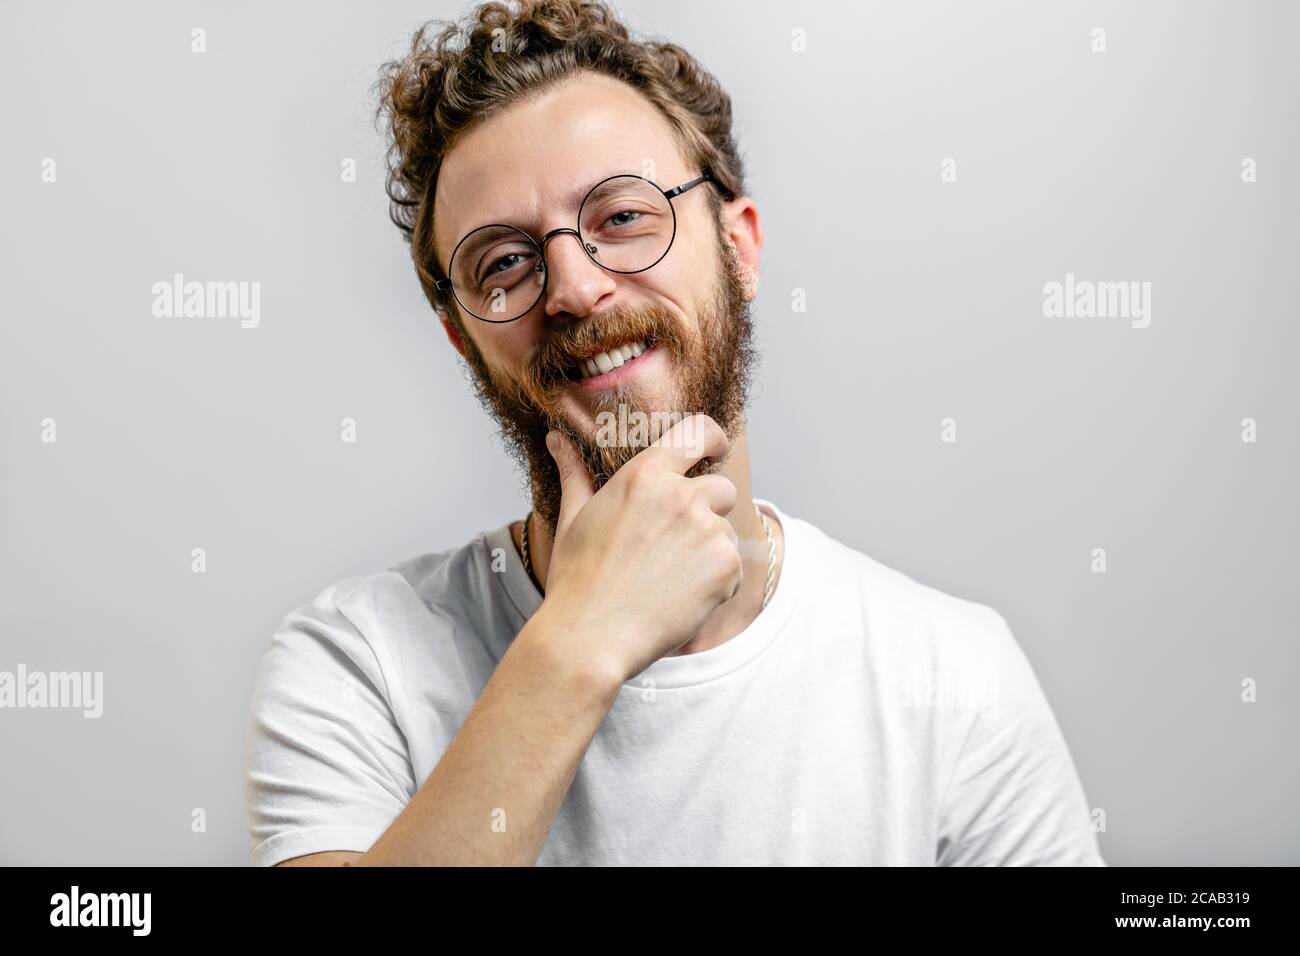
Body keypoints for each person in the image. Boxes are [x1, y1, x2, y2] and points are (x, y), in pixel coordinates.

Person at [244, 0, 1105, 866]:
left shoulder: (953, 675)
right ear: (464, 339)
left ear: (740, 251)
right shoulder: (360, 662)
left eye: (622, 217)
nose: (573, 289)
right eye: (504, 262)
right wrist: (581, 640)